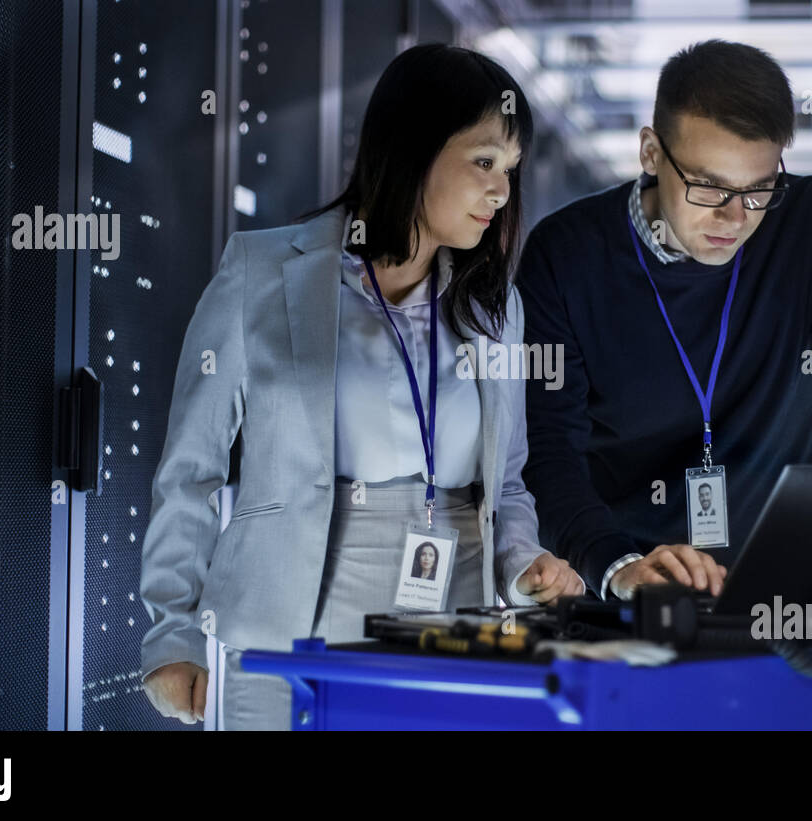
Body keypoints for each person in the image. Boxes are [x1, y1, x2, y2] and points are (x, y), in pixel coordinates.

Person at [139, 43, 583, 730]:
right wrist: (171, 632)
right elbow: (189, 472)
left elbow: (510, 484)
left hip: (454, 622)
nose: (501, 192)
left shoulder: (497, 310)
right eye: (484, 162)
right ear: (413, 147)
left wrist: (523, 566)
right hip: (289, 621)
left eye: (511, 170)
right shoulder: (261, 272)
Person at [517, 40, 812, 602]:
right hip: (628, 584)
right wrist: (617, 566)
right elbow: (548, 448)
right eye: (708, 187)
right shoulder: (567, 253)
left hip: (784, 585)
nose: (734, 217)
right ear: (651, 153)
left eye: (758, 189)